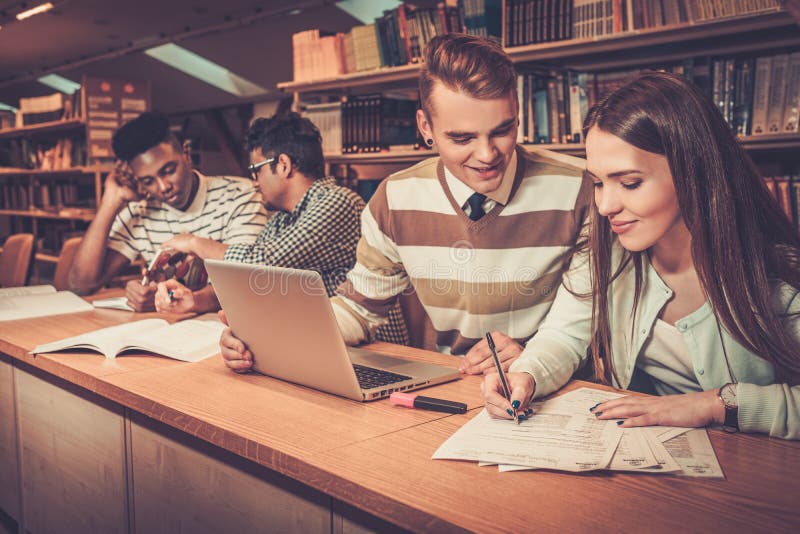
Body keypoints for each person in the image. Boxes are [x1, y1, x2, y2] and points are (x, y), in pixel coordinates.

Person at [219, 34, 592, 373]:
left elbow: (594, 319)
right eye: (461, 138)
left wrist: (534, 353)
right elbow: (360, 309)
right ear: (425, 128)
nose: (488, 154)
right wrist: (264, 337)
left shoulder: (581, 186)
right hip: (458, 385)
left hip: (561, 387)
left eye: (502, 129)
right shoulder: (395, 198)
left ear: (517, 113)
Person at [482, 71, 800, 439]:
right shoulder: (605, 250)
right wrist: (527, 374)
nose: (605, 206)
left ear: (693, 173)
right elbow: (564, 337)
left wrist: (714, 404)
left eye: (630, 183)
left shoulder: (779, 272)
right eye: (598, 183)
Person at [153, 112, 409, 345]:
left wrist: (195, 243)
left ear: (283, 164)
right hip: (318, 343)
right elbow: (250, 281)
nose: (254, 181)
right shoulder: (280, 221)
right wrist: (194, 300)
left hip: (374, 349)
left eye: (256, 170)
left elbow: (261, 263)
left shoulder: (338, 201)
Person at [68, 112, 267, 311]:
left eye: (168, 170)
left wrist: (188, 300)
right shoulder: (140, 212)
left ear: (186, 154)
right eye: (148, 181)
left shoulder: (240, 196)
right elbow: (80, 285)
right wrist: (110, 200)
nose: (163, 187)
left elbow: (245, 280)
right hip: (168, 329)